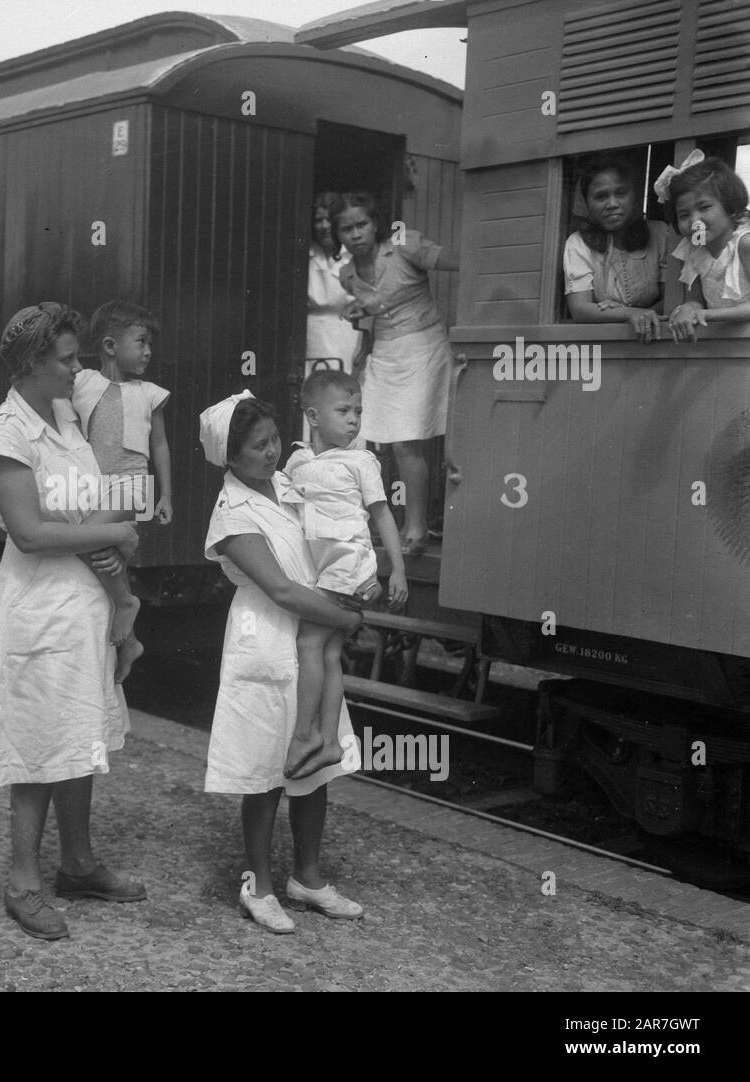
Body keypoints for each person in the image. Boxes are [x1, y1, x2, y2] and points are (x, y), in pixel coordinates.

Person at [0, 301, 146, 941]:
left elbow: (77, 519)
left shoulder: (65, 416)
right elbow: (31, 532)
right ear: (33, 364)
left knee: (77, 733)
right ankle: (23, 880)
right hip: (38, 610)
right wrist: (115, 533)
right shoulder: (4, 435)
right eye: (69, 359)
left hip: (83, 603)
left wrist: (117, 581)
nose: (79, 369)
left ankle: (76, 863)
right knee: (37, 742)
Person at [200, 390, 365, 935]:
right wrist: (343, 619)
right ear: (231, 456)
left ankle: (309, 877)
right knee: (267, 768)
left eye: (274, 440)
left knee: (315, 760)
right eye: (258, 446)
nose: (271, 452)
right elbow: (281, 590)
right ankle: (259, 885)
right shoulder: (231, 513)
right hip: (266, 634)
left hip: (313, 631)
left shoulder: (289, 484)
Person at [283, 370, 407, 781]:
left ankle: (305, 735)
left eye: (358, 411)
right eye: (343, 411)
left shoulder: (361, 461)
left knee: (308, 642)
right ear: (313, 417)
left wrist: (397, 571)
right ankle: (332, 741)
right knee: (330, 653)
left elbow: (382, 514)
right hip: (322, 572)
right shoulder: (298, 460)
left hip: (347, 568)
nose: (354, 419)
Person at [332, 192, 459, 554]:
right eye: (346, 229)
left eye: (362, 224)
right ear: (339, 235)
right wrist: (361, 317)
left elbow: (465, 264)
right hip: (385, 353)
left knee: (405, 442)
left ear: (375, 224)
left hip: (424, 347)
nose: (355, 234)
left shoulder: (404, 245)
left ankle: (415, 528)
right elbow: (372, 322)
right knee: (363, 438)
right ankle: (370, 524)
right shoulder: (348, 275)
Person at [70, 299, 171, 681]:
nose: (148, 352)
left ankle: (127, 603)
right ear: (110, 346)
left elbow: (159, 445)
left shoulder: (150, 393)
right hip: (91, 485)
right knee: (106, 556)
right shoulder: (82, 384)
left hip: (132, 486)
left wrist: (165, 495)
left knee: (84, 541)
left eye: (150, 344)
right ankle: (128, 643)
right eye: (141, 342)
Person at [562, 155, 668, 341]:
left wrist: (643, 316)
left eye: (621, 193)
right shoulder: (578, 243)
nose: (612, 204)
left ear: (634, 196)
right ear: (586, 202)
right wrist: (629, 314)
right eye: (601, 196)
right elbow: (580, 309)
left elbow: (671, 299)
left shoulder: (659, 233)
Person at [657, 152, 750, 340]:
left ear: (729, 206)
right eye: (684, 215)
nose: (694, 220)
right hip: (722, 348)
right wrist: (689, 309)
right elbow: (696, 301)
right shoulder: (695, 252)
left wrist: (708, 315)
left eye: (704, 207)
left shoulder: (744, 244)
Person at [307, 191, 363, 374]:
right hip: (312, 335)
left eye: (330, 220)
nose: (324, 226)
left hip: (347, 334)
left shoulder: (355, 256)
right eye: (318, 220)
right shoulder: (306, 254)